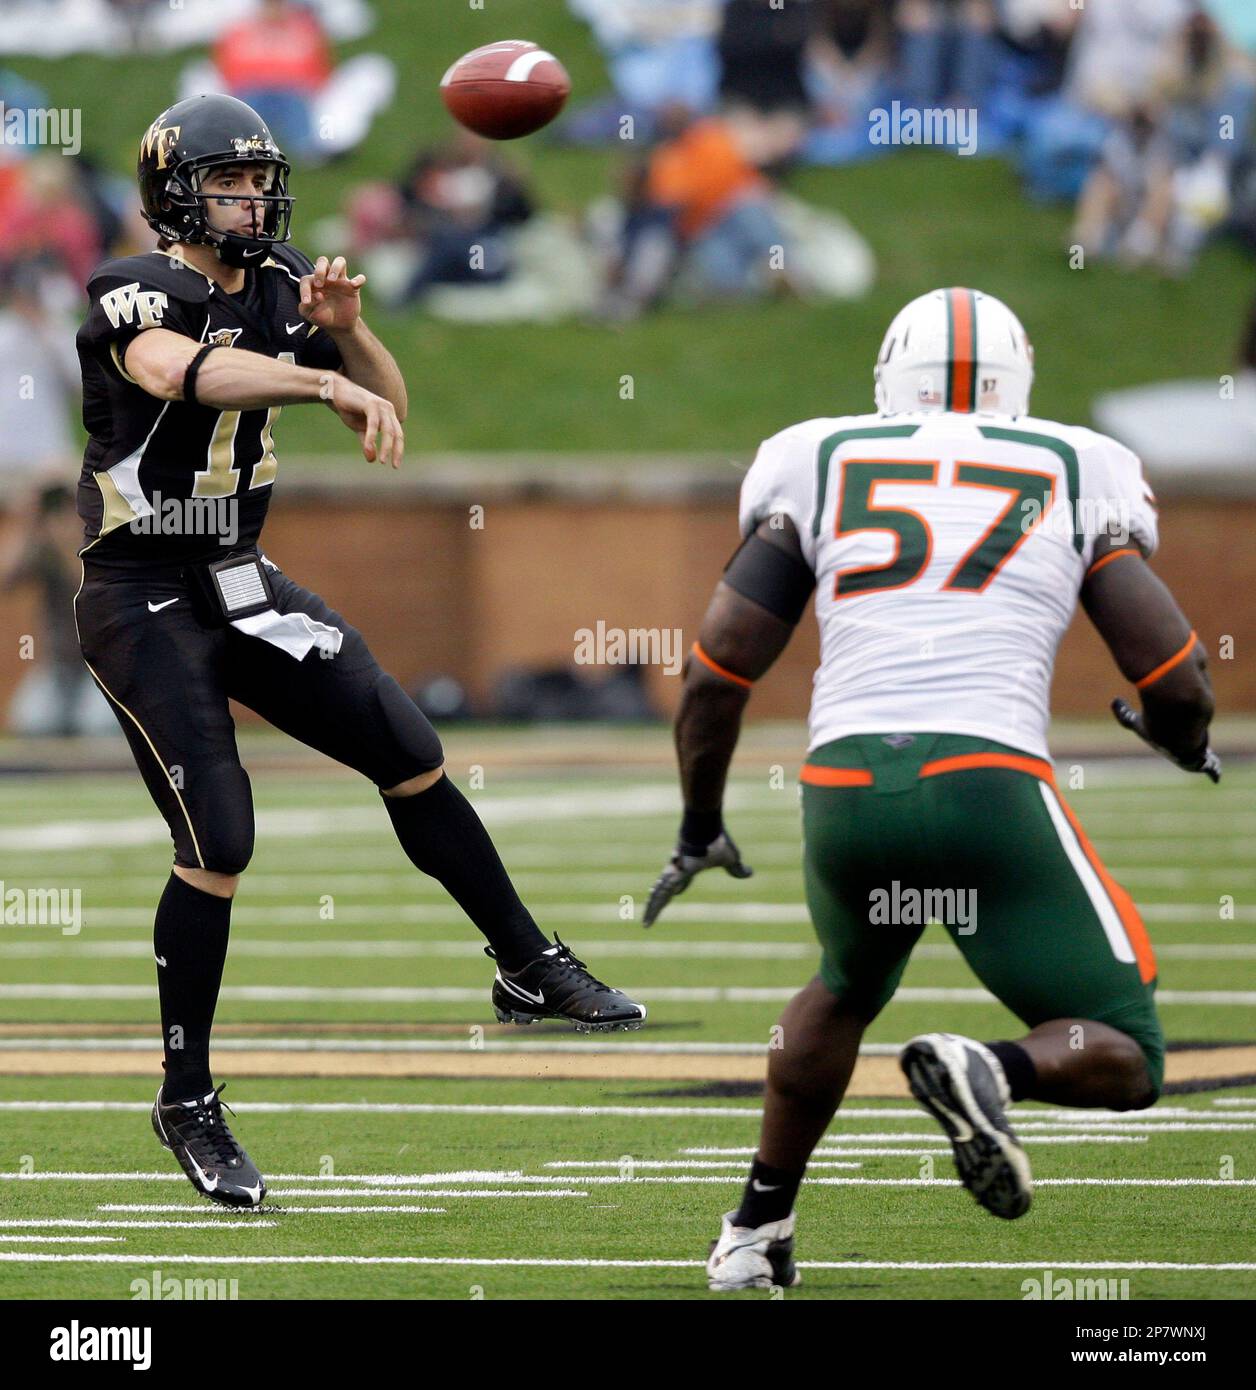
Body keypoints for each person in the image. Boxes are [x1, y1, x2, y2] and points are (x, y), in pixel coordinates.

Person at [73, 94, 646, 1211]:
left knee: (409, 744)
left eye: (256, 180)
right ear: (178, 194)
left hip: (238, 575)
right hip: (141, 591)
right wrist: (314, 374)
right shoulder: (129, 286)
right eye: (230, 182)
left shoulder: (283, 279)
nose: (252, 199)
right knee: (220, 837)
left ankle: (524, 963)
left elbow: (388, 408)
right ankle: (186, 1096)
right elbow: (178, 374)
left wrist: (346, 333)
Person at [643, 287, 1219, 1290]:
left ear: (884, 379)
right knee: (1124, 1048)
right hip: (983, 776)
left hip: (845, 784)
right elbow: (1169, 674)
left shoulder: (814, 456)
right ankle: (987, 1069)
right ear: (1019, 381)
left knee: (842, 984)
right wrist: (1177, 738)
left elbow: (717, 670)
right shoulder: (1076, 463)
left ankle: (753, 1233)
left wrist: (699, 822)